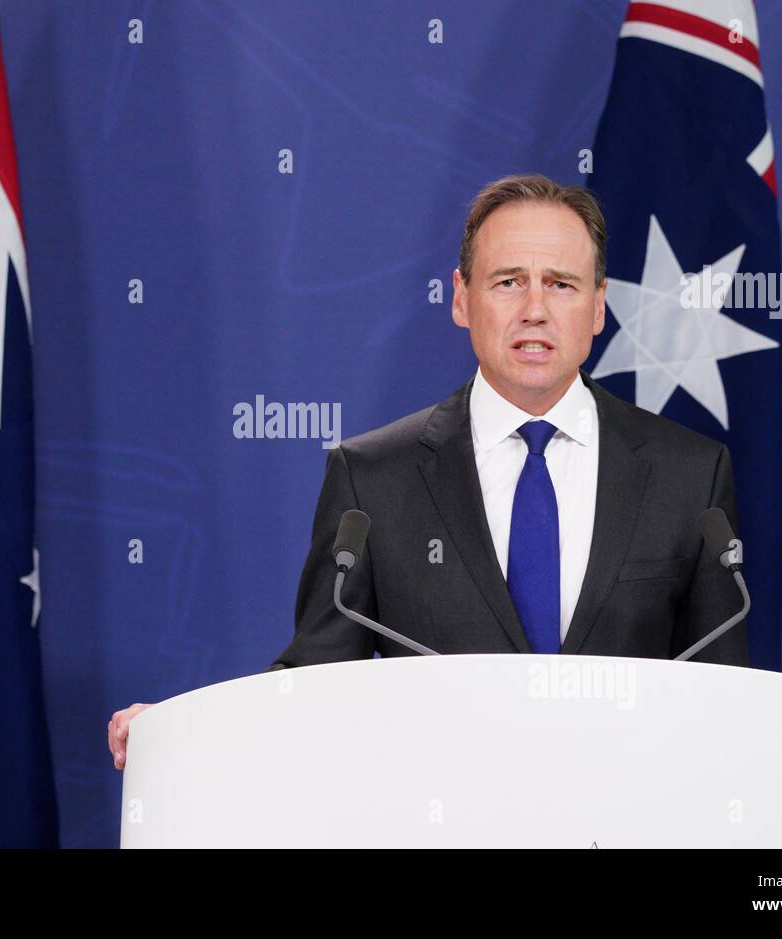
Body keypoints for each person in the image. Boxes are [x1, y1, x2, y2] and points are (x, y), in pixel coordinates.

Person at [108, 173, 749, 770]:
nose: (534, 308)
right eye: (507, 282)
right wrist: (182, 735)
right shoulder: (372, 480)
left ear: (599, 306)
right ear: (461, 300)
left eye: (560, 283)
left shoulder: (689, 475)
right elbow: (315, 680)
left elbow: (726, 702)